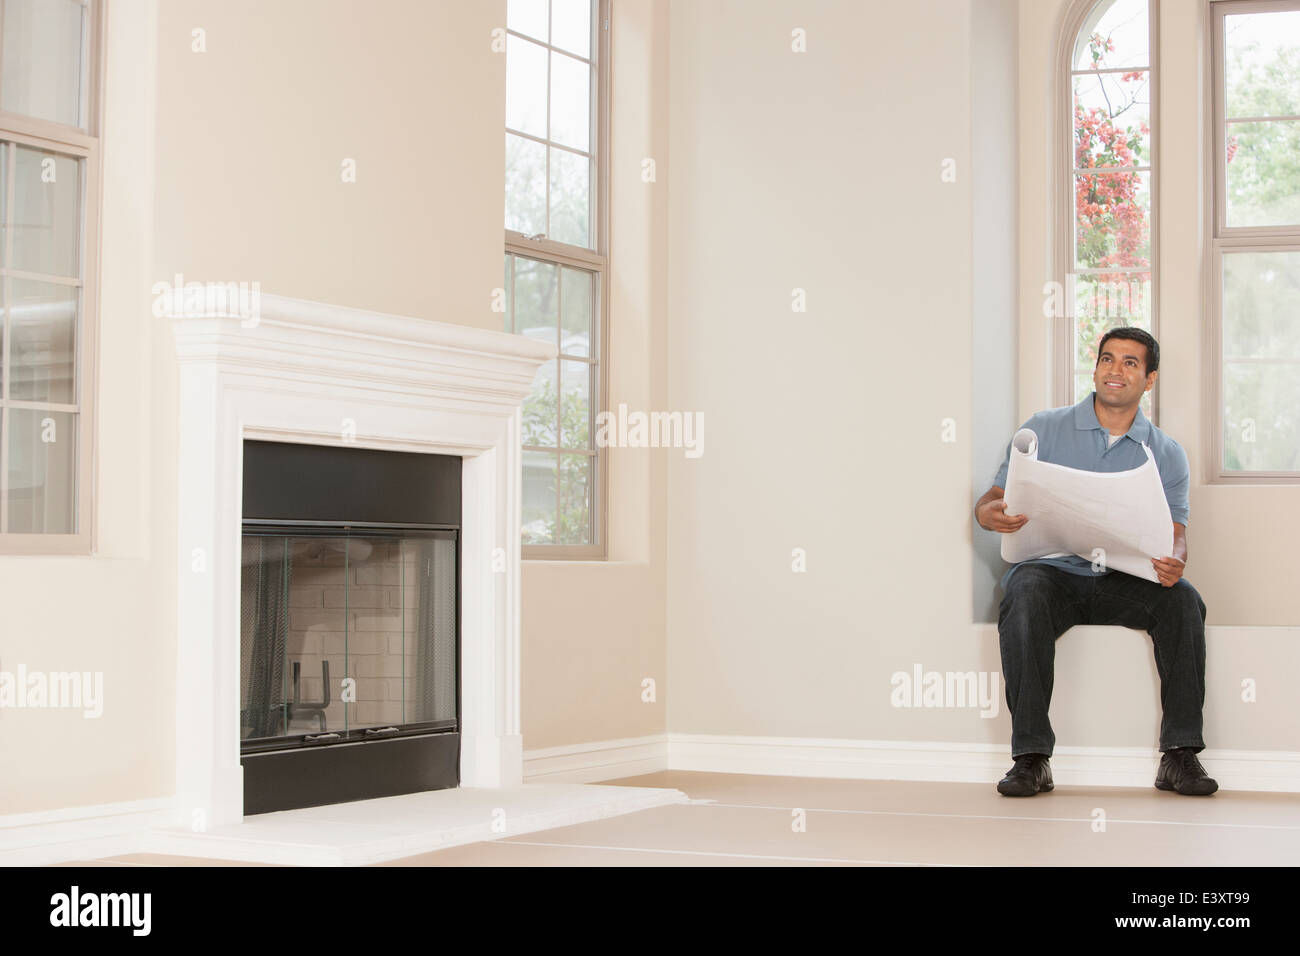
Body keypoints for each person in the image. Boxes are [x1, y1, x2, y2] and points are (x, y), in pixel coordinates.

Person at [975, 327, 1216, 797]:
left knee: (1184, 600)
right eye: (1108, 359)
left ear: (1149, 380)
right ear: (1096, 366)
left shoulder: (1166, 453)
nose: (1115, 370)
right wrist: (989, 515)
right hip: (1051, 573)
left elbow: (1177, 534)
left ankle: (1179, 756)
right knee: (1022, 592)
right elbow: (993, 500)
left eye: (1130, 363)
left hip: (1124, 578)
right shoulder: (1043, 428)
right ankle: (1031, 759)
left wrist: (1176, 561)